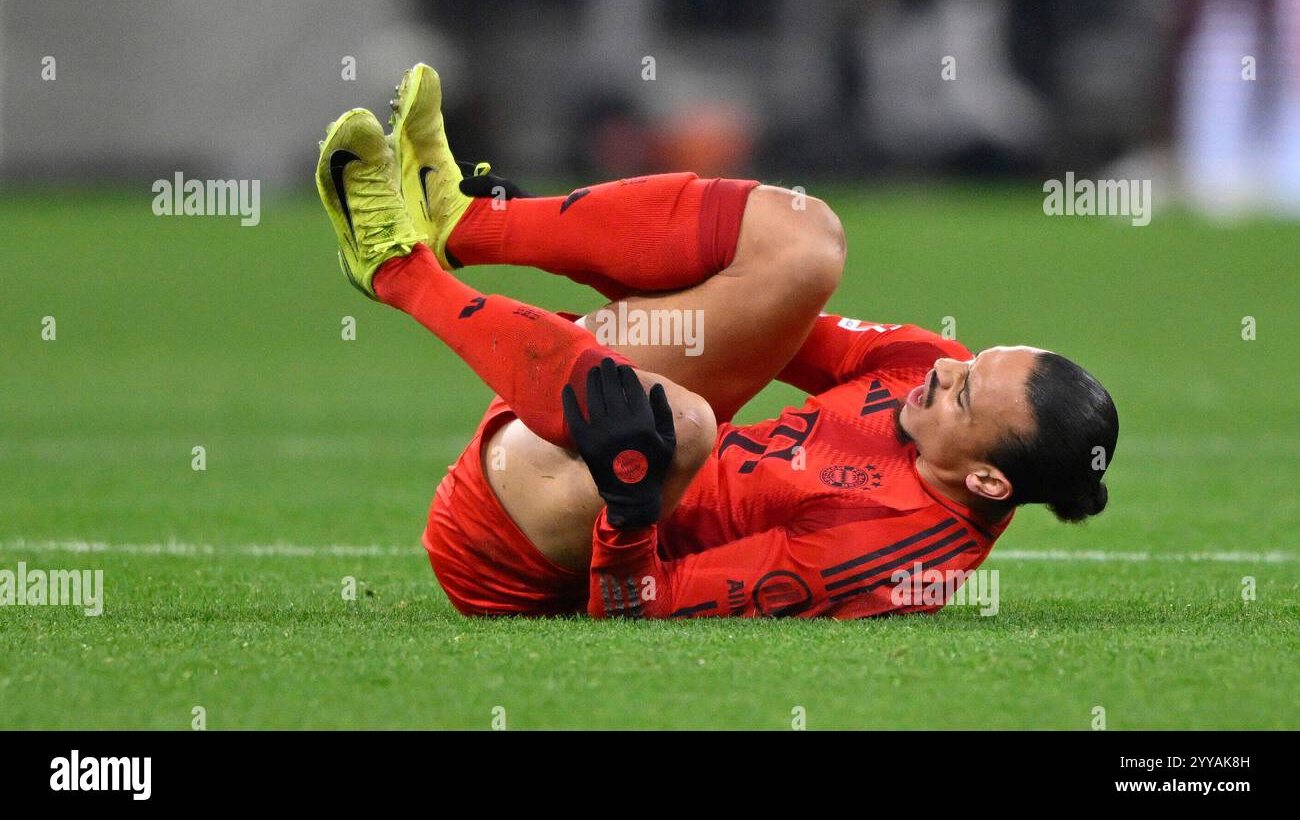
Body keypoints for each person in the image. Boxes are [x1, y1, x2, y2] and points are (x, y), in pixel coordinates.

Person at [313, 64, 1119, 619]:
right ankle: (471, 224)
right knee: (803, 245)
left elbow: (637, 604)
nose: (948, 370)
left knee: (682, 426)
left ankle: (394, 270)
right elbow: (735, 311)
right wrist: (590, 254)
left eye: (966, 392)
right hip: (582, 424)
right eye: (972, 361)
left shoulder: (889, 556)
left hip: (522, 552)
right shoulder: (922, 369)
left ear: (983, 480)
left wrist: (629, 512)